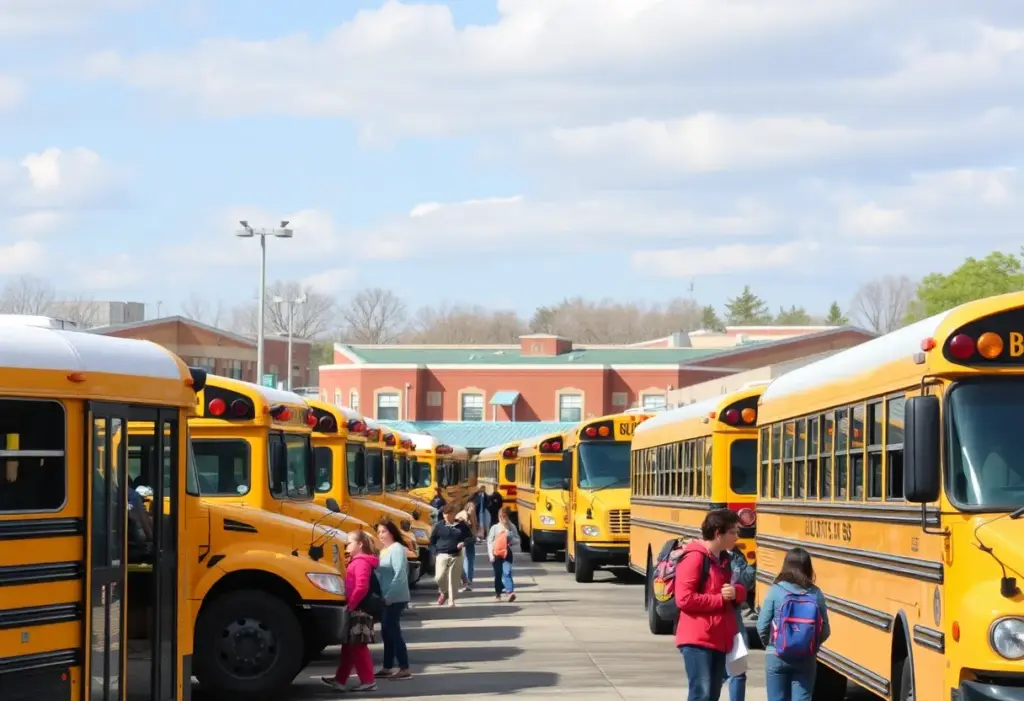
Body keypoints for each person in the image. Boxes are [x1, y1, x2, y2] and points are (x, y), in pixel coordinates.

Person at [675, 509, 747, 701]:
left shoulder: (725, 559)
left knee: (712, 695)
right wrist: (719, 599)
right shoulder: (695, 558)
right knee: (701, 694)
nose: (737, 536)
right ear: (718, 533)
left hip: (719, 637)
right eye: (732, 532)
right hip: (698, 639)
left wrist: (736, 593)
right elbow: (683, 598)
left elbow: (738, 586)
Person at [757, 547, 830, 701]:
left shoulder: (776, 590)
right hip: (806, 657)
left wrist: (772, 645)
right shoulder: (816, 593)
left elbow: (762, 625)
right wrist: (810, 645)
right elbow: (826, 630)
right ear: (809, 568)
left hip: (777, 655)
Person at [321, 530, 380, 692]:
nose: (347, 545)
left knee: (358, 646)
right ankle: (340, 679)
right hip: (357, 607)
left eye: (350, 542)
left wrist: (351, 604)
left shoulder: (361, 562)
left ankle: (368, 680)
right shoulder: (357, 561)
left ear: (360, 544)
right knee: (349, 645)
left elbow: (361, 586)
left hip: (360, 609)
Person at [375, 519, 412, 681]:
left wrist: (390, 596)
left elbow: (400, 575)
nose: (380, 535)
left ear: (392, 532)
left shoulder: (396, 549)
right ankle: (387, 666)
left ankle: (404, 667)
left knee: (393, 631)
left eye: (383, 531)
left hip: (395, 597)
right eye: (378, 532)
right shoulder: (384, 550)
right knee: (386, 632)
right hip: (387, 596)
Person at [724, 547, 756, 701]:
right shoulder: (729, 557)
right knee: (710, 679)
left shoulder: (737, 555)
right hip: (718, 623)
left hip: (731, 622)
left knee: (736, 674)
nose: (737, 536)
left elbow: (745, 584)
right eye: (732, 531)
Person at [429, 503, 473, 607]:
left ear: (454, 514)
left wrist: (464, 543)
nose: (446, 517)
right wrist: (435, 551)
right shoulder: (439, 526)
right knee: (438, 577)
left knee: (453, 579)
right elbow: (431, 541)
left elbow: (472, 538)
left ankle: (451, 601)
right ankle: (444, 593)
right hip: (441, 554)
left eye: (449, 514)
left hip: (456, 554)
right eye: (445, 514)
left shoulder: (461, 525)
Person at [487, 506, 521, 602]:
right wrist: (491, 555)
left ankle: (510, 592)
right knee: (498, 574)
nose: (503, 519)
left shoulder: (512, 527)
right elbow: (490, 541)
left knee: (507, 572)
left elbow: (518, 540)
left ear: (508, 517)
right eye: (501, 517)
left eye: (504, 517)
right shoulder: (495, 528)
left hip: (507, 553)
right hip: (496, 554)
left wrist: (510, 540)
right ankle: (498, 594)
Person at [457, 502, 479, 592]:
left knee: (470, 561)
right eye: (471, 508)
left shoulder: (473, 516)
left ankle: (468, 581)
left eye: (474, 508)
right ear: (467, 508)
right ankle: (465, 581)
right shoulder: (464, 514)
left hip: (470, 540)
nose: (472, 510)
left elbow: (474, 530)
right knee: (466, 561)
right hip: (463, 541)